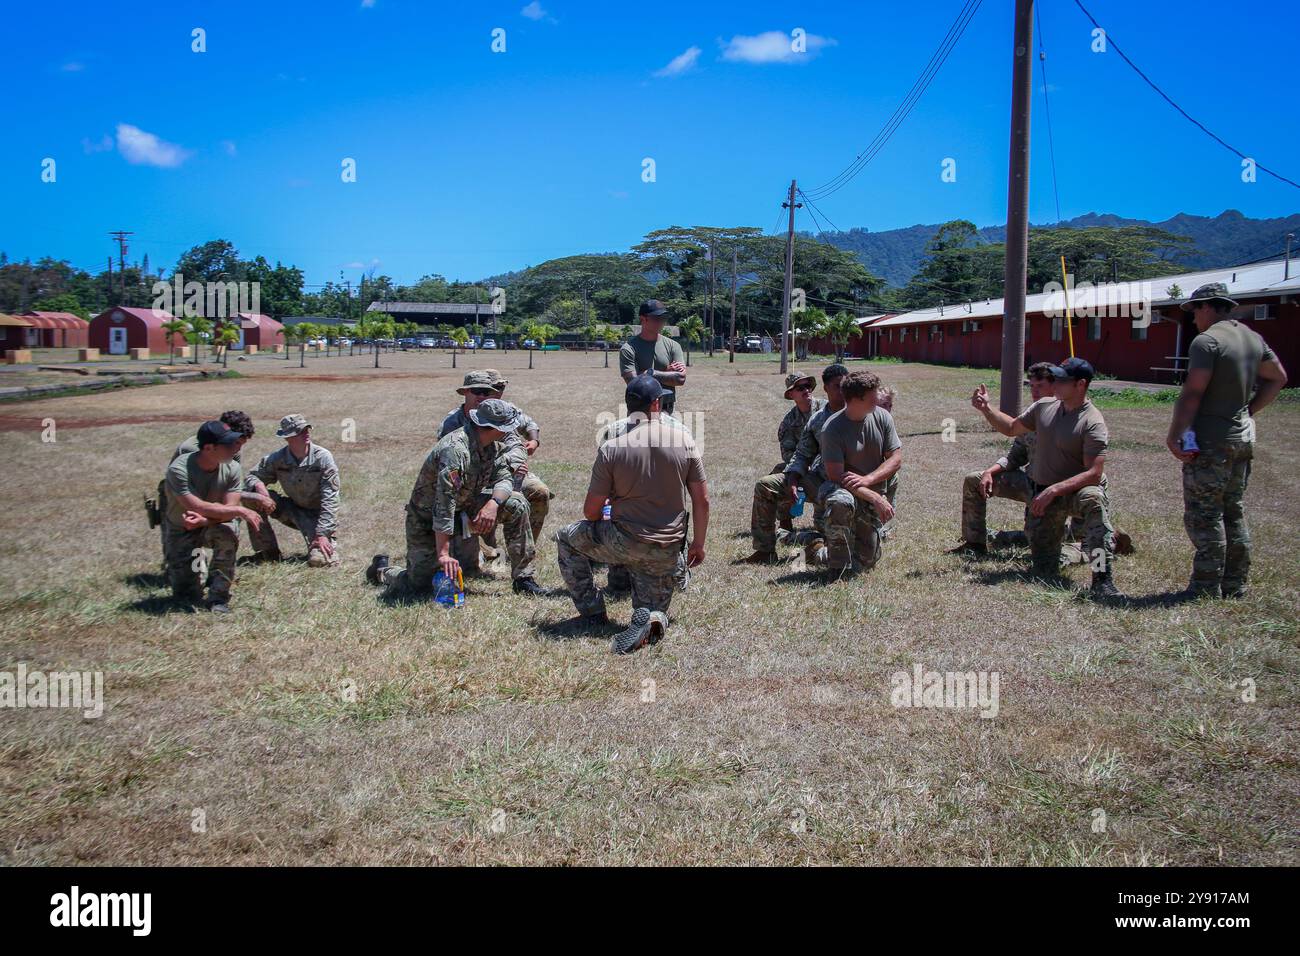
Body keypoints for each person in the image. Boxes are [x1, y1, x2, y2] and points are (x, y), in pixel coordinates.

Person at [554, 374, 709, 654]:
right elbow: (702, 500)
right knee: (652, 606)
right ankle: (652, 616)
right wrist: (697, 544)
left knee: (565, 538)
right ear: (658, 404)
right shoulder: (685, 442)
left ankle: (592, 611)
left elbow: (590, 512)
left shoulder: (612, 448)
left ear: (628, 405)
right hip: (668, 548)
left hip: (624, 540)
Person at [1166, 282, 1288, 598]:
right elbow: (1278, 378)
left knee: (1204, 514)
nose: (1193, 319)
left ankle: (1205, 587)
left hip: (1210, 441)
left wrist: (1175, 433)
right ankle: (1234, 584)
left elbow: (1194, 392)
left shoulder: (1207, 342)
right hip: (1243, 439)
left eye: (1194, 311)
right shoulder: (1252, 338)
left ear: (1206, 306)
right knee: (1232, 510)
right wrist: (1248, 410)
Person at [971, 357, 1122, 599]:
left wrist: (1055, 490)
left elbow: (1094, 473)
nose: (1056, 383)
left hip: (1074, 492)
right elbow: (1011, 428)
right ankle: (1084, 548)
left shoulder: (1092, 422)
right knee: (1043, 569)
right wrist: (986, 409)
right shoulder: (1044, 407)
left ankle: (1102, 578)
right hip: (1043, 494)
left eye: (1062, 380)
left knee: (1095, 501)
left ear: (1080, 384)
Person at [369, 399, 551, 597]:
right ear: (495, 427)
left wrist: (493, 503)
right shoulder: (455, 451)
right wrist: (443, 554)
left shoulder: (490, 445)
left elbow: (504, 479)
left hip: (463, 510)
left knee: (516, 504)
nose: (514, 429)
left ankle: (524, 579)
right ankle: (382, 572)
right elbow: (443, 505)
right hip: (428, 520)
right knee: (420, 587)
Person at [742, 363, 847, 564]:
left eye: (808, 386)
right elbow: (797, 455)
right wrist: (794, 478)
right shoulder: (803, 421)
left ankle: (817, 541)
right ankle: (768, 547)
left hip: (843, 484)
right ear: (791, 395)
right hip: (814, 476)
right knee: (771, 480)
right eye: (800, 388)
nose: (806, 390)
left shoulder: (853, 414)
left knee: (831, 536)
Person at [440, 370, 552, 558]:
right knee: (467, 565)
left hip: (504, 473)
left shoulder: (500, 413)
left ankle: (523, 550)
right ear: (465, 392)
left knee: (539, 492)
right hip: (468, 484)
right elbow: (450, 471)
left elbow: (516, 444)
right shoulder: (452, 423)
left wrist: (511, 464)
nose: (483, 396)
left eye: (488, 391)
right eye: (477, 391)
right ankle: (484, 545)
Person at [162, 420, 265, 612]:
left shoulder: (232, 468)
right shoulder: (179, 469)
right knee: (186, 595)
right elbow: (197, 506)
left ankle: (218, 598)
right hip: (182, 529)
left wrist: (207, 521)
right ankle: (195, 575)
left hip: (212, 523)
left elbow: (230, 506)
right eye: (228, 444)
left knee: (227, 533)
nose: (235, 448)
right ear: (209, 448)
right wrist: (241, 511)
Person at [956, 363, 1056, 552]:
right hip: (1030, 484)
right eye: (1032, 386)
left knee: (1040, 542)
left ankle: (1110, 540)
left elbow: (1009, 427)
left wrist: (987, 409)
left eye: (1040, 386)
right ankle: (974, 543)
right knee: (974, 480)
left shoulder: (1064, 415)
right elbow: (1016, 455)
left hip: (1054, 490)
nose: (1034, 391)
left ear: (1055, 386)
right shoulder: (1031, 415)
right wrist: (989, 472)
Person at [817, 370, 902, 573]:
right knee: (841, 501)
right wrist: (874, 496)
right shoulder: (832, 428)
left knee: (866, 561)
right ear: (856, 399)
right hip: (841, 489)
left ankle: (818, 550)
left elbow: (896, 459)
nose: (877, 398)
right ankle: (837, 568)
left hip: (868, 489)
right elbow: (836, 476)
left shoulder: (882, 417)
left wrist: (869, 479)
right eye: (872, 396)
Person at [155, 410, 273, 556]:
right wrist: (254, 498)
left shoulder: (230, 450)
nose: (237, 449)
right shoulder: (194, 450)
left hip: (206, 499)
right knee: (177, 550)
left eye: (241, 443)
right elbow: (199, 499)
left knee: (228, 522)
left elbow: (227, 484)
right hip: (179, 498)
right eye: (235, 443)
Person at [247, 414, 341, 567]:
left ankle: (320, 545)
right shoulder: (277, 458)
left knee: (320, 561)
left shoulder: (322, 458)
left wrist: (323, 534)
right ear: (288, 438)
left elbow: (330, 500)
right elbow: (251, 476)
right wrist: (259, 487)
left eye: (306, 429)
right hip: (291, 509)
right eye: (300, 431)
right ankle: (268, 552)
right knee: (251, 497)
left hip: (317, 516)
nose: (306, 433)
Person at [619, 299, 687, 405]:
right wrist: (666, 372)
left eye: (663, 318)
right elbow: (634, 384)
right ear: (643, 319)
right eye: (656, 318)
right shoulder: (628, 349)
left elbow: (680, 378)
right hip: (640, 409)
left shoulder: (673, 346)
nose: (661, 322)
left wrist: (649, 373)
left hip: (667, 407)